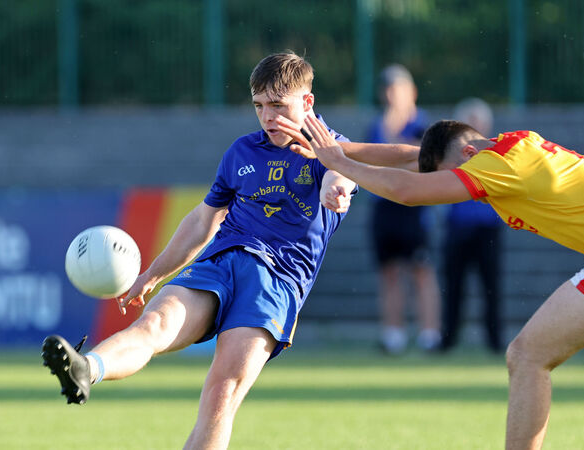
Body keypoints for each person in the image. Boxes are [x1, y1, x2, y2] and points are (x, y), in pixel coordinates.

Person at [276, 115, 584, 449]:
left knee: (527, 355)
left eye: (457, 174)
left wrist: (340, 164)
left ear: (470, 155)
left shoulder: (492, 165)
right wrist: (339, 149)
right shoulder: (513, 144)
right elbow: (413, 162)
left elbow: (410, 191)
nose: (457, 184)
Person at [41, 52, 356, 450]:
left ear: (307, 103)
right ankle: (89, 367)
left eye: (278, 105)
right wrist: (151, 275)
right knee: (152, 325)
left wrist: (336, 187)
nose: (267, 116)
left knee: (220, 396)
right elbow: (201, 222)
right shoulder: (242, 151)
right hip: (219, 263)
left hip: (275, 283)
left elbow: (340, 173)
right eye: (259, 106)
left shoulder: (334, 147)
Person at [367, 64, 440, 354]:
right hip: (385, 207)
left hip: (415, 206)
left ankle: (430, 333)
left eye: (396, 88)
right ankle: (393, 334)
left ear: (412, 92)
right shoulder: (377, 124)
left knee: (422, 270)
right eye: (387, 89)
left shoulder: (425, 124)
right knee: (389, 272)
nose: (391, 95)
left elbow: (418, 156)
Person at [441, 98, 503, 353]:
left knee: (491, 287)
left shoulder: (496, 154)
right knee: (453, 286)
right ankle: (448, 339)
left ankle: (494, 339)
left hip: (488, 228)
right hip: (458, 226)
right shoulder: (452, 155)